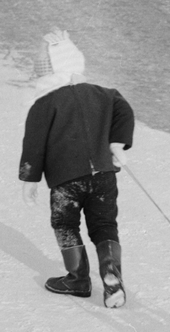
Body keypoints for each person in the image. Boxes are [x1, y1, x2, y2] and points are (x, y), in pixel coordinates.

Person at [19, 30, 134, 307]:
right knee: (104, 224)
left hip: (66, 179)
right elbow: (125, 111)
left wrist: (29, 178)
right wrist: (117, 143)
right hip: (104, 176)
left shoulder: (44, 104)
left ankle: (78, 278)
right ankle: (110, 273)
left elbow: (34, 143)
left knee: (64, 223)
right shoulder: (105, 94)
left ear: (47, 68)